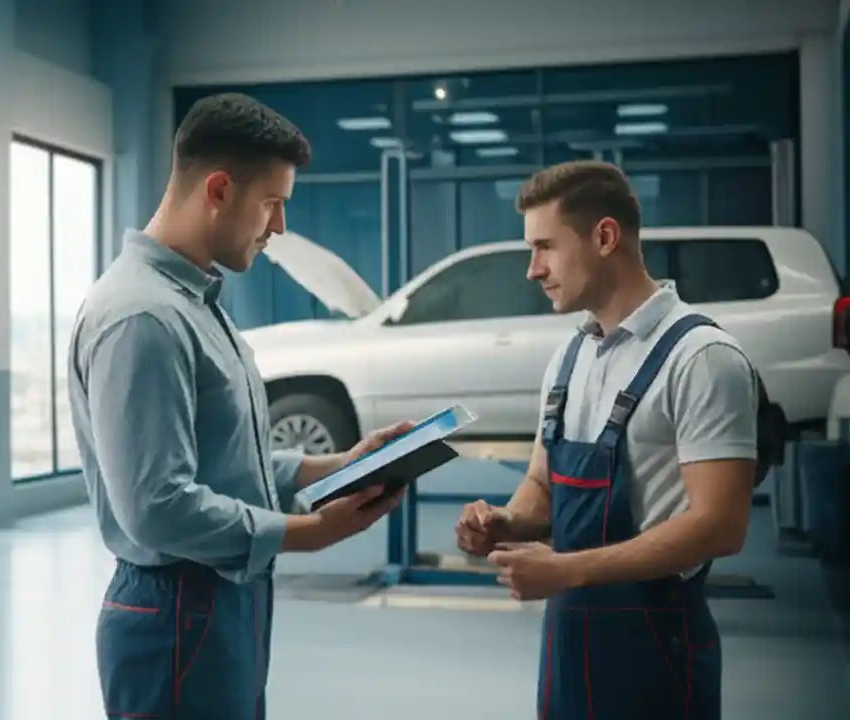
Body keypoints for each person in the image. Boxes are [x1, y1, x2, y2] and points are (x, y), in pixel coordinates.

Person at [68, 92, 411, 720]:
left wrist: (337, 465)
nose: (278, 226)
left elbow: (224, 456)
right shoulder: (143, 317)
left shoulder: (198, 304)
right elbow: (157, 506)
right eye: (273, 203)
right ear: (220, 189)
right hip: (175, 611)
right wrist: (310, 533)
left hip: (224, 600)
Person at [455, 160, 758, 719]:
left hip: (657, 646)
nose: (532, 269)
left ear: (604, 236)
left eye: (545, 246)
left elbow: (721, 524)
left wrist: (566, 569)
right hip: (569, 641)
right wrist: (506, 522)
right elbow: (543, 484)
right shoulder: (569, 358)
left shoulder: (703, 360)